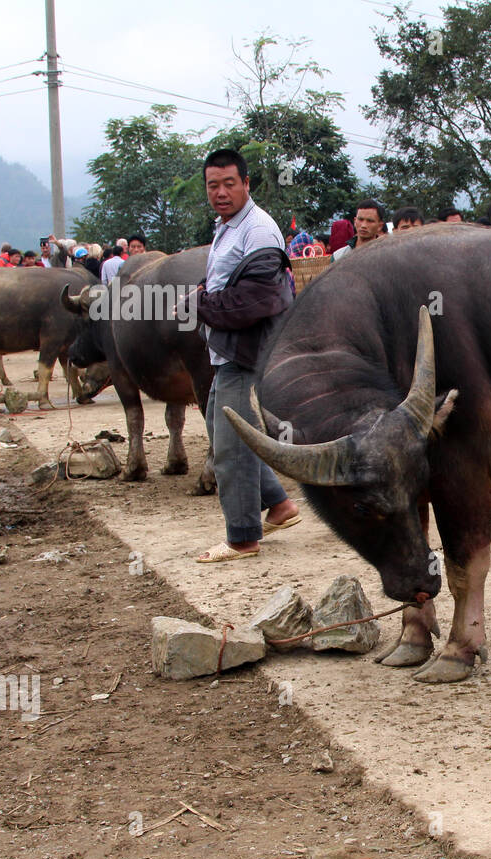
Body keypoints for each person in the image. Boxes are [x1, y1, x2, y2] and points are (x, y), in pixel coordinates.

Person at [190, 147, 300, 562]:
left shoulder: (258, 230)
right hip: (228, 350)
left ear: (246, 184)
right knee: (223, 433)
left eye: (229, 184)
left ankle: (242, 538)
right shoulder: (228, 226)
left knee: (232, 446)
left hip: (248, 353)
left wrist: (201, 305)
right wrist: (204, 294)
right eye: (213, 185)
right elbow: (224, 283)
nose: (220, 192)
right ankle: (279, 504)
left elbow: (256, 301)